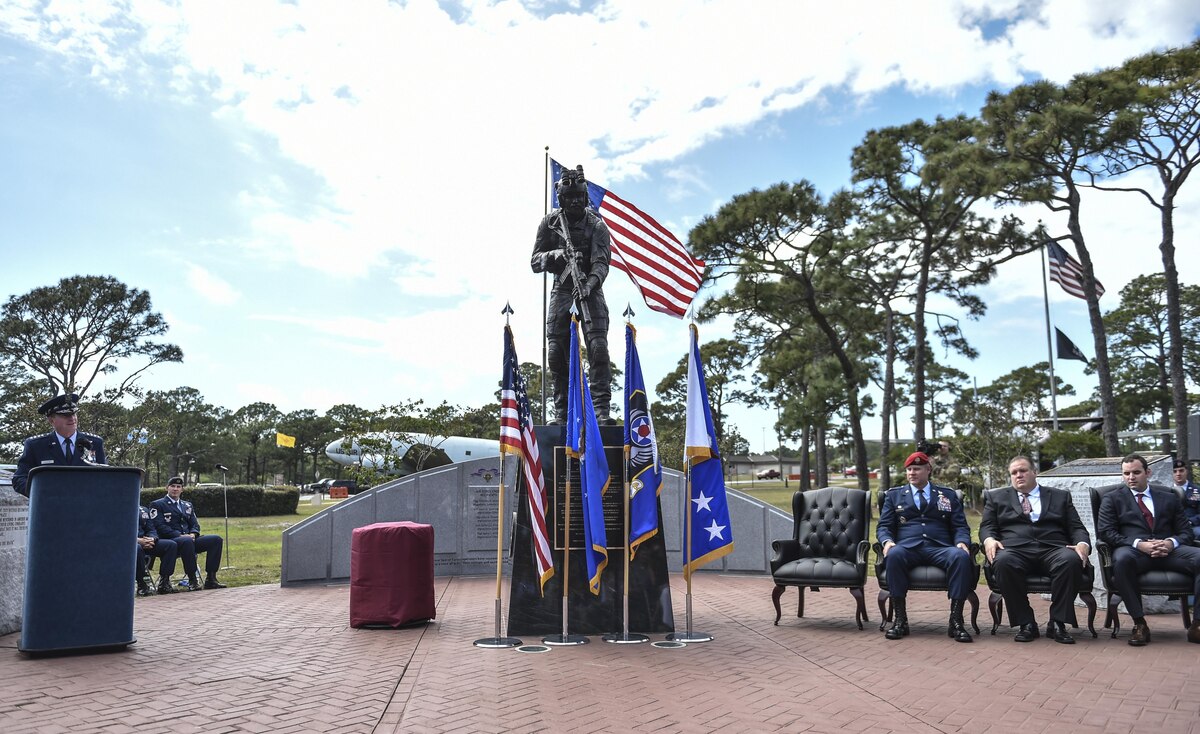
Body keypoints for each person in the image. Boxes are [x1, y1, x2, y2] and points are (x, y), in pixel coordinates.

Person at [530, 164, 612, 423]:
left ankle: (601, 411)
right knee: (556, 353)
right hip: (561, 290)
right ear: (561, 199)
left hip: (590, 288)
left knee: (598, 348)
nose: (575, 201)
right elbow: (534, 261)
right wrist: (555, 255)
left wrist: (590, 284)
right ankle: (562, 413)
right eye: (570, 197)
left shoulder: (597, 226)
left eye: (579, 196)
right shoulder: (549, 224)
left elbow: (602, 262)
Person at [979, 455, 1091, 644]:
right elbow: (987, 526)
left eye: (1023, 470)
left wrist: (1083, 544)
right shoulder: (996, 497)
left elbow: (1076, 527)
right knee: (1003, 561)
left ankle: (1058, 622)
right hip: (1015, 549)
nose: (1018, 475)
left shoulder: (1059, 496)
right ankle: (1026, 623)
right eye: (1014, 472)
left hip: (1053, 548)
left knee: (1071, 560)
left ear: (1034, 472)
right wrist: (989, 540)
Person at [1097, 453, 1200, 646]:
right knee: (1122, 561)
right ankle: (1140, 624)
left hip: (1169, 551)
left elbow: (1186, 532)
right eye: (1126, 473)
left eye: (1136, 472)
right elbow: (1106, 533)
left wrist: (1170, 543)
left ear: (1148, 472)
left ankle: (1197, 626)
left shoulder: (1169, 498)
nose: (1131, 477)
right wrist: (1138, 544)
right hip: (1134, 551)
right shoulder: (1112, 499)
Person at [877, 451, 975, 642]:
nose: (912, 473)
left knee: (961, 557)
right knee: (894, 554)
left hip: (940, 547)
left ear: (928, 469)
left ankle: (956, 621)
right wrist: (887, 541)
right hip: (908, 548)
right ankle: (900, 620)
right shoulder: (894, 495)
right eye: (909, 469)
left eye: (917, 469)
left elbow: (960, 525)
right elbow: (884, 526)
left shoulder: (947, 495)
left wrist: (962, 542)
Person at [12, 393, 106, 497]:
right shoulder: (36, 445)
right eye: (65, 415)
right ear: (51, 420)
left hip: (87, 508)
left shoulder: (94, 443)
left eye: (74, 414)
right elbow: (19, 479)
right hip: (50, 509)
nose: (72, 418)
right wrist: (41, 492)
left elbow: (106, 477)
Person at [150, 477, 226, 590]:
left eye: (178, 487)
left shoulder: (187, 505)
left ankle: (211, 578)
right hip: (171, 540)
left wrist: (194, 534)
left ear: (182, 490)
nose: (175, 489)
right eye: (173, 486)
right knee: (186, 541)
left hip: (189, 539)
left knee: (216, 540)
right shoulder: (158, 504)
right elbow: (159, 526)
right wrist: (179, 535)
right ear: (167, 488)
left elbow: (195, 524)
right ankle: (192, 579)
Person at [135, 504, 178, 596]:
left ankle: (164, 582)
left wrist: (152, 539)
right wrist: (137, 541)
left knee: (170, 545)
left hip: (146, 541)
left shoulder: (143, 509)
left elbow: (151, 529)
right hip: (128, 544)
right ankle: (141, 584)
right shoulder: (118, 509)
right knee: (137, 549)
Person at [1173, 459, 1200, 543]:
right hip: (1172, 526)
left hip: (1192, 525)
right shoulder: (1166, 491)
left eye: (1181, 471)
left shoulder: (1197, 490)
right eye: (1175, 471)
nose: (1178, 474)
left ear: (1186, 471)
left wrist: (1191, 521)